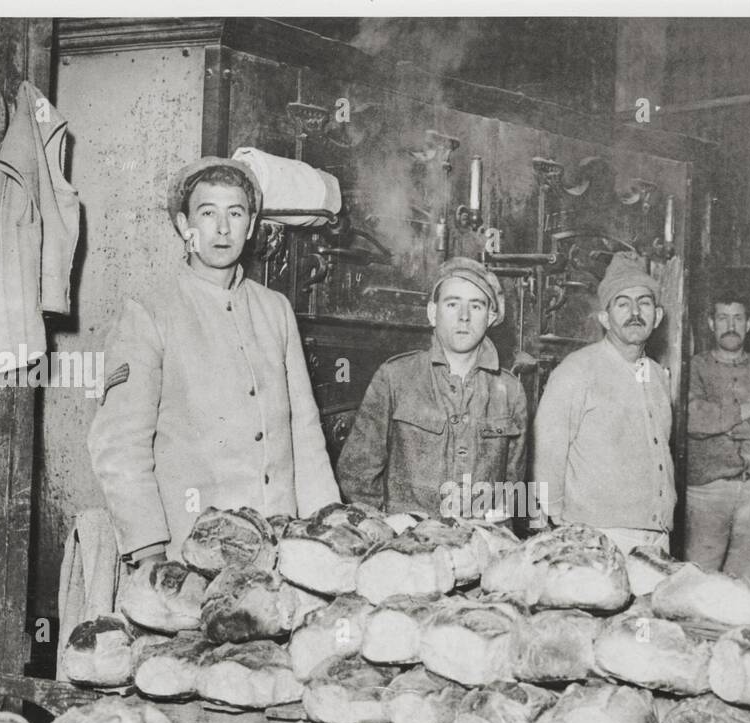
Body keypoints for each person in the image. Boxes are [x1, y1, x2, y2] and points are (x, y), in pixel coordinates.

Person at [88, 156, 339, 565]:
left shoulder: (276, 310)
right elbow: (120, 446)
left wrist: (325, 535)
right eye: (208, 213)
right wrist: (151, 555)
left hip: (279, 547)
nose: (222, 229)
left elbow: (305, 433)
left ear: (252, 226)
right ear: (184, 227)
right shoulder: (148, 310)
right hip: (193, 553)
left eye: (235, 213)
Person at [336, 257, 527, 520]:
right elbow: (355, 474)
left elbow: (513, 488)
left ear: (491, 317)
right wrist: (388, 528)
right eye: (452, 304)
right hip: (409, 548)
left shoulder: (511, 391)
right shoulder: (395, 377)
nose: (464, 317)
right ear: (432, 313)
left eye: (476, 305)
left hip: (479, 546)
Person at [533, 254, 675, 554]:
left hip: (657, 538)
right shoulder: (576, 371)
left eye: (644, 303)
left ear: (658, 317)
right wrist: (557, 522)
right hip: (599, 538)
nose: (635, 312)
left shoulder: (659, 376)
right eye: (622, 304)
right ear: (604, 318)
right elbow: (547, 455)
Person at [683, 292, 750, 578]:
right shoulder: (694, 367)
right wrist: (744, 412)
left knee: (746, 582)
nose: (731, 326)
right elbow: (692, 418)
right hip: (707, 489)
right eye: (722, 318)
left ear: (749, 323)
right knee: (699, 580)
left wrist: (719, 423)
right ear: (710, 323)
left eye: (738, 318)